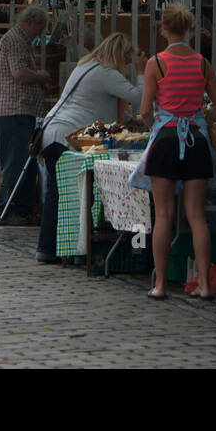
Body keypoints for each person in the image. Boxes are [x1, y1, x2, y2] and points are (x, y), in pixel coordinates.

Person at [130, 3, 216, 300]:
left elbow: (145, 110)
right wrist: (203, 120)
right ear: (188, 29)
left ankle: (160, 284)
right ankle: (205, 284)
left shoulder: (156, 64)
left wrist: (156, 127)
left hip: (166, 140)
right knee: (197, 215)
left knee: (164, 215)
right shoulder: (201, 63)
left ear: (163, 29)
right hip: (195, 140)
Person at [36, 33, 144, 264]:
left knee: (59, 193)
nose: (126, 66)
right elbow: (139, 95)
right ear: (120, 55)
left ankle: (53, 250)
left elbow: (91, 103)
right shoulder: (107, 73)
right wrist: (145, 73)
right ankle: (62, 250)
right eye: (127, 60)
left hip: (53, 131)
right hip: (67, 135)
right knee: (68, 195)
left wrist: (127, 119)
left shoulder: (86, 66)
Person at [0, 6, 49, 225]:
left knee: (23, 160)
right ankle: (5, 210)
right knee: (16, 161)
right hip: (15, 108)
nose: (40, 33)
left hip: (15, 109)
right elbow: (19, 74)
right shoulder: (16, 40)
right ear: (31, 21)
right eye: (40, 28)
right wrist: (41, 77)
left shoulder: (17, 39)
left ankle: (21, 209)